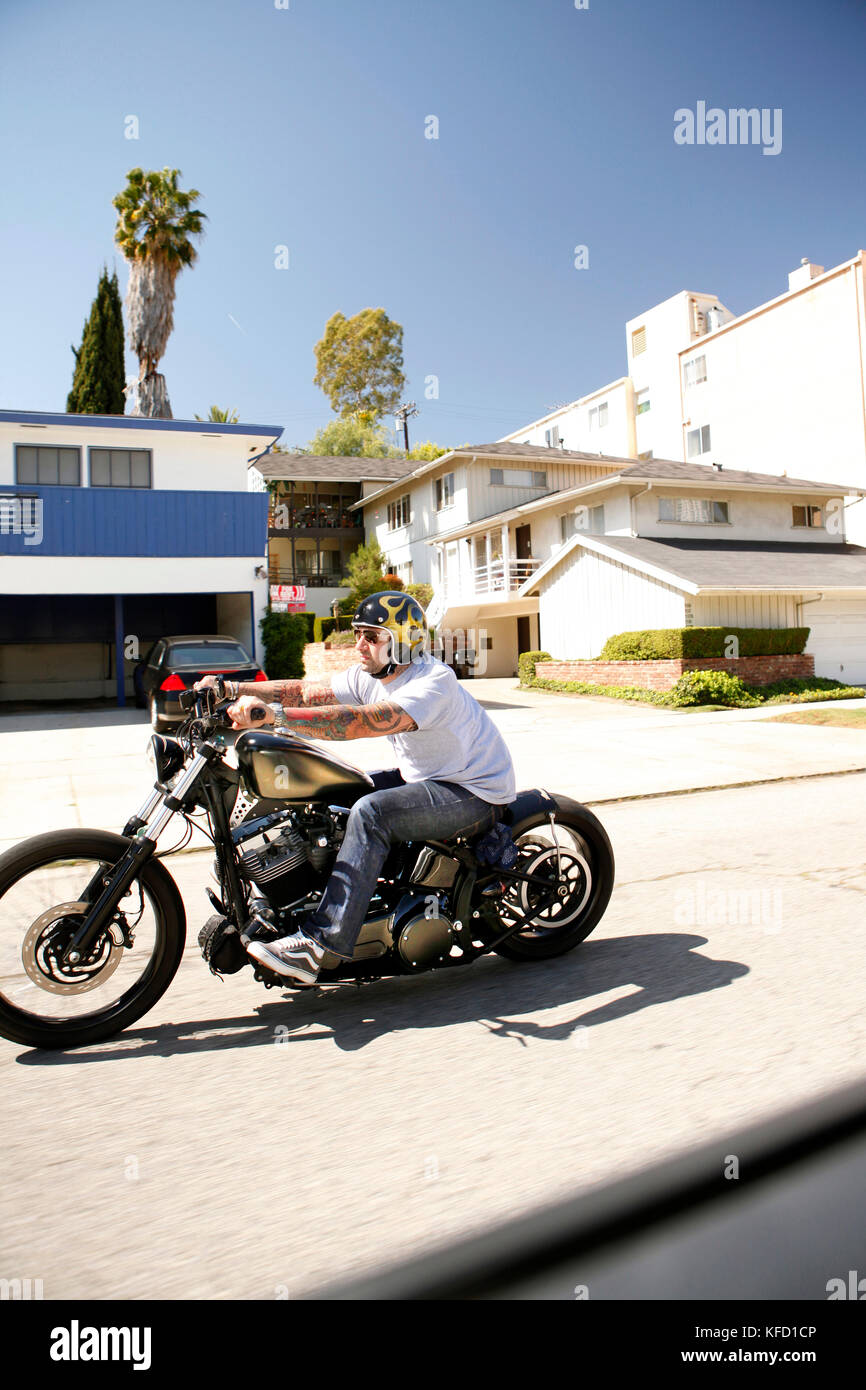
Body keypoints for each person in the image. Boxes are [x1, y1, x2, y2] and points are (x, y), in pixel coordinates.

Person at [196, 592, 515, 985]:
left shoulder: (433, 682)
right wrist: (231, 690)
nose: (359, 645)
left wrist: (273, 717)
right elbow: (304, 692)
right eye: (358, 634)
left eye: (371, 636)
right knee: (333, 795)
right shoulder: (372, 675)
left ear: (402, 641)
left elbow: (361, 722)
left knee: (372, 814)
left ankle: (322, 944)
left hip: (472, 789)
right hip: (425, 776)